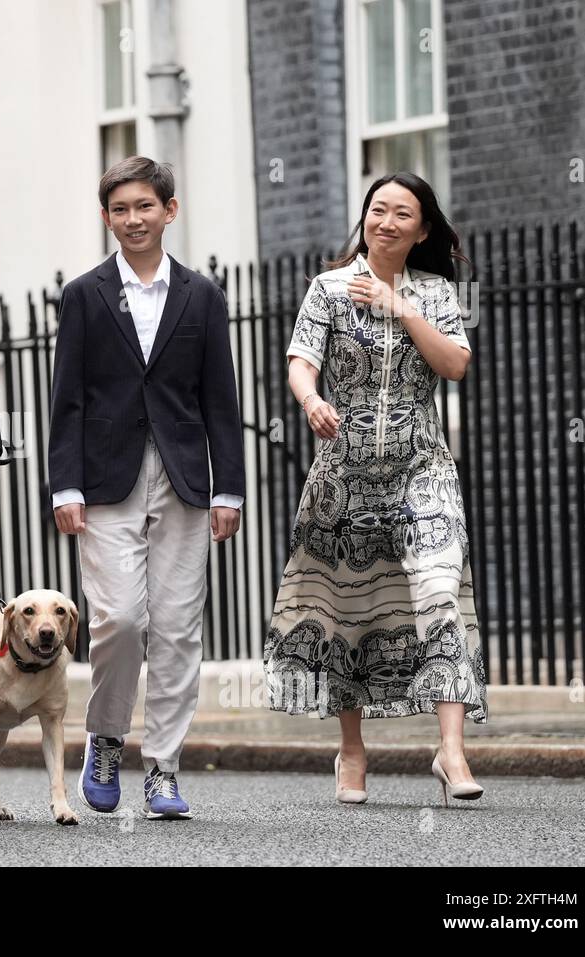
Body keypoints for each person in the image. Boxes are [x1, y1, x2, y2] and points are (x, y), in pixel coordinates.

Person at [263, 171, 487, 806]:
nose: (387, 221)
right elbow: (301, 360)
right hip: (345, 470)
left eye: (402, 213)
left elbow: (455, 365)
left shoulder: (440, 292)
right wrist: (310, 400)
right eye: (377, 210)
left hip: (423, 466)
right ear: (365, 218)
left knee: (440, 590)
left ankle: (451, 750)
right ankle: (353, 751)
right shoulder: (328, 289)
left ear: (421, 230)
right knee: (349, 610)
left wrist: (404, 309)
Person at [49, 156, 245, 820]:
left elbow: (222, 398)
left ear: (170, 210)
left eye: (145, 206)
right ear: (106, 217)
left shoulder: (204, 295)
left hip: (186, 478)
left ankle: (163, 765)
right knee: (121, 619)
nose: (133, 219)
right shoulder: (83, 294)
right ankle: (105, 737)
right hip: (106, 479)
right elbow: (66, 399)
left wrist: (230, 490)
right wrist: (63, 485)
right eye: (120, 209)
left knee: (179, 627)